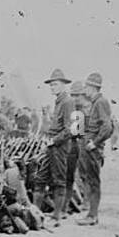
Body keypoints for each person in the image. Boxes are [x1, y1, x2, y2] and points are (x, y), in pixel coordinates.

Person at [77, 72, 113, 225]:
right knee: (91, 180)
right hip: (89, 146)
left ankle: (93, 216)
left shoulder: (100, 103)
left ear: (93, 87)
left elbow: (107, 127)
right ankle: (92, 215)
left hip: (93, 148)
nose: (85, 89)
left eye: (87, 86)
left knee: (93, 182)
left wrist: (96, 143)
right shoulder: (97, 102)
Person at [42, 68, 76, 226]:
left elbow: (71, 128)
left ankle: (57, 216)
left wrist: (54, 140)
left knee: (59, 180)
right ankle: (56, 213)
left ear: (63, 85)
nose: (52, 87)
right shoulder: (59, 102)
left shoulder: (67, 102)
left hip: (60, 146)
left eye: (55, 84)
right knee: (53, 178)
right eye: (51, 85)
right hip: (54, 145)